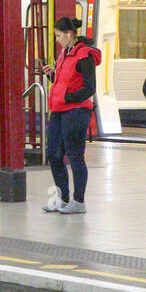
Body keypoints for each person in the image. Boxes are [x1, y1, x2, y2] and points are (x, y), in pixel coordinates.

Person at [42, 17, 101, 214]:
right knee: (54, 154)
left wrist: (68, 98)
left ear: (69, 34)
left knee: (75, 155)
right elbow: (65, 81)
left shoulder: (84, 55)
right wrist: (51, 75)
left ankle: (79, 201)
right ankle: (63, 197)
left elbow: (89, 87)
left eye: (59, 36)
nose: (57, 40)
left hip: (76, 111)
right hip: (59, 110)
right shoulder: (65, 54)